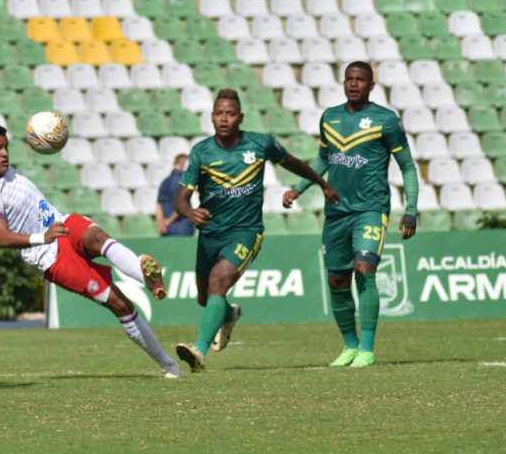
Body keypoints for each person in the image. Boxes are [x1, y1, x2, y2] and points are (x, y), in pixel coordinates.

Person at [0, 123, 181, 379]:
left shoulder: (4, 174)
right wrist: (43, 237)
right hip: (50, 257)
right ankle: (169, 365)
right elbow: (2, 238)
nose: (4, 153)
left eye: (6, 147)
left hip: (62, 224)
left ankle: (146, 276)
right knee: (119, 303)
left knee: (98, 237)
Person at [173, 89, 339, 373]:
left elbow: (294, 163)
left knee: (218, 281)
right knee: (205, 298)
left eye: (230, 114)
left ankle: (199, 350)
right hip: (210, 235)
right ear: (211, 117)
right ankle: (228, 314)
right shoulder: (201, 152)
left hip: (246, 232)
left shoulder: (260, 144)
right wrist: (190, 212)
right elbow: (180, 200)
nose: (224, 119)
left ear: (240, 117)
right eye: (219, 113)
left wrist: (321, 183)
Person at [283, 61, 419, 368]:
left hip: (370, 209)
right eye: (349, 79)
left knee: (364, 269)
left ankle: (367, 349)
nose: (354, 84)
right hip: (336, 213)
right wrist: (299, 188)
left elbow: (408, 167)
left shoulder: (386, 120)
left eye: (360, 80)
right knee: (337, 281)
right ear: (343, 83)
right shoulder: (330, 118)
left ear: (371, 85)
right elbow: (322, 160)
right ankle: (350, 346)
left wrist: (411, 210)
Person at [155, 153, 194, 236]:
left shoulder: (164, 182)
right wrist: (168, 222)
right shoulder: (183, 182)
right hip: (182, 228)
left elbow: (159, 206)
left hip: (166, 229)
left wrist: (162, 223)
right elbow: (182, 206)